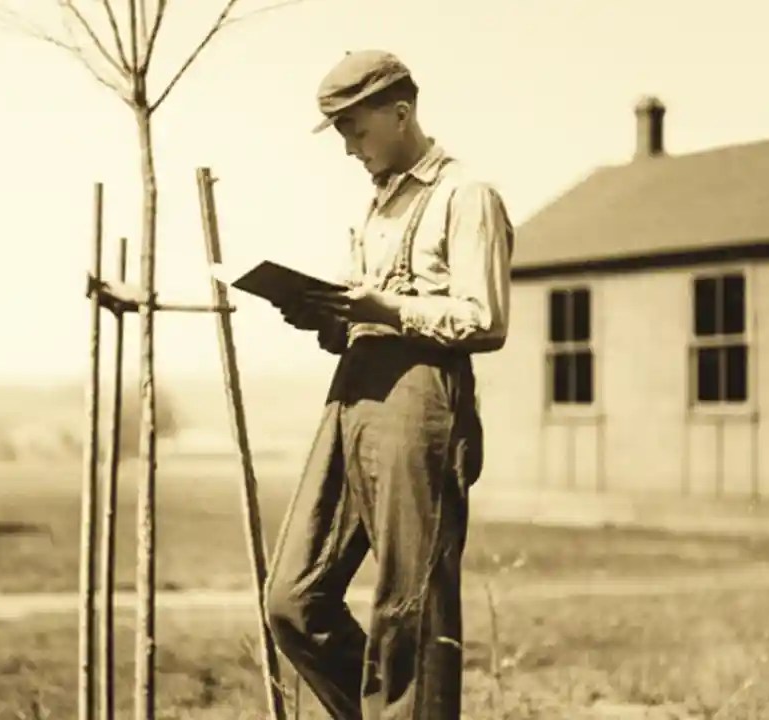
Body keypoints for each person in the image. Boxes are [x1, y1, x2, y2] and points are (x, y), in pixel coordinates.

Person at [263, 49, 514, 719]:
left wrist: (390, 310)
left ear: (400, 113)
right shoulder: (378, 205)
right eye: (340, 131)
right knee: (292, 597)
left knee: (412, 605)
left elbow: (486, 321)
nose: (348, 147)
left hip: (422, 398)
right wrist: (326, 316)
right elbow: (366, 312)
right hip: (354, 393)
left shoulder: (466, 195)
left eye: (355, 128)